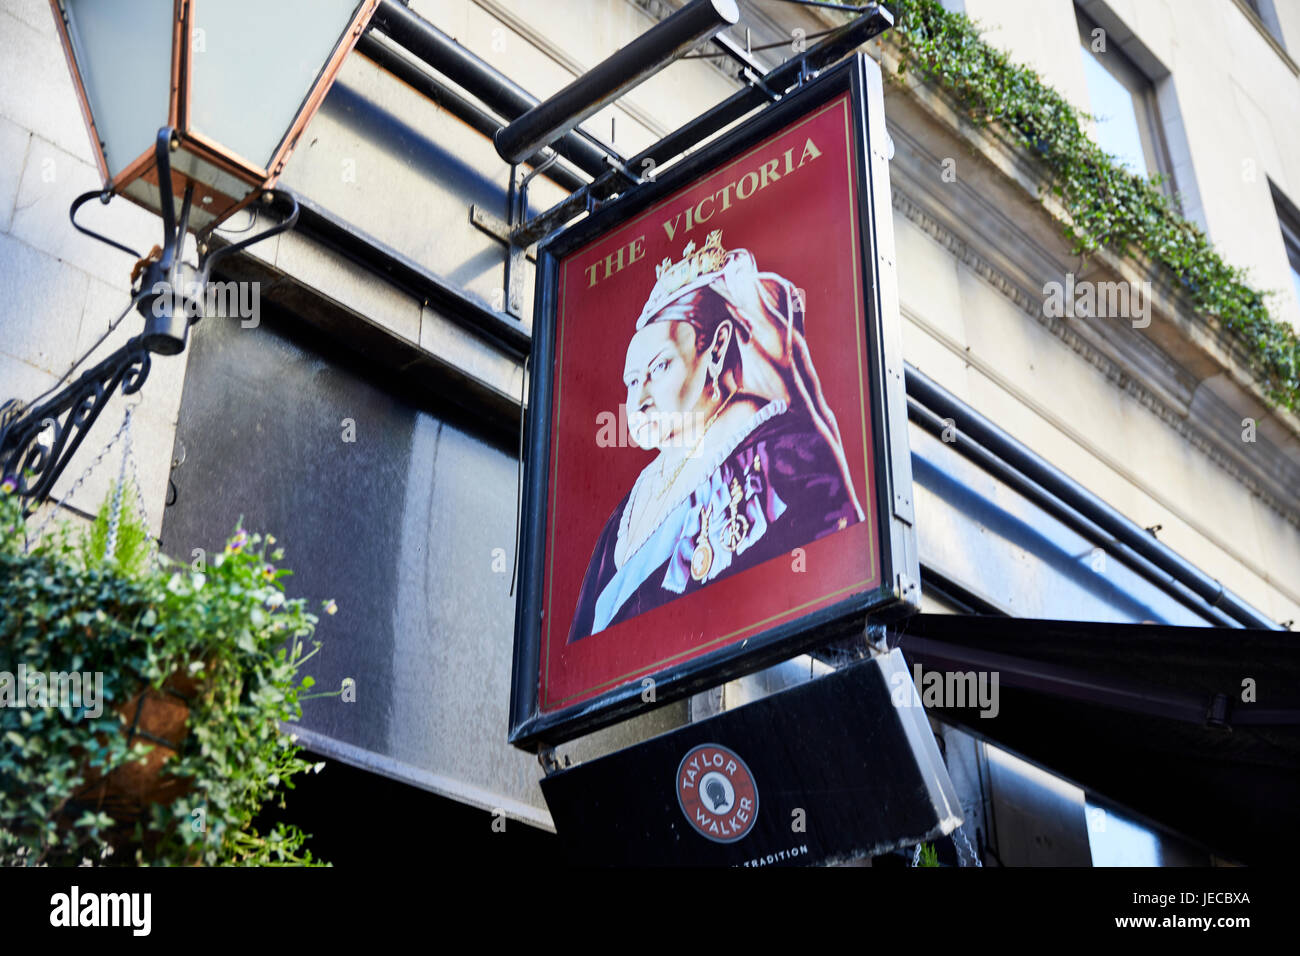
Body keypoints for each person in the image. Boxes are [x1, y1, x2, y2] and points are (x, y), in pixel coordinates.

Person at [567, 229, 864, 643]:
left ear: (718, 346)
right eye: (633, 381)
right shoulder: (628, 513)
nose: (640, 400)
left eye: (660, 369)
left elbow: (829, 590)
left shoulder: (783, 456)